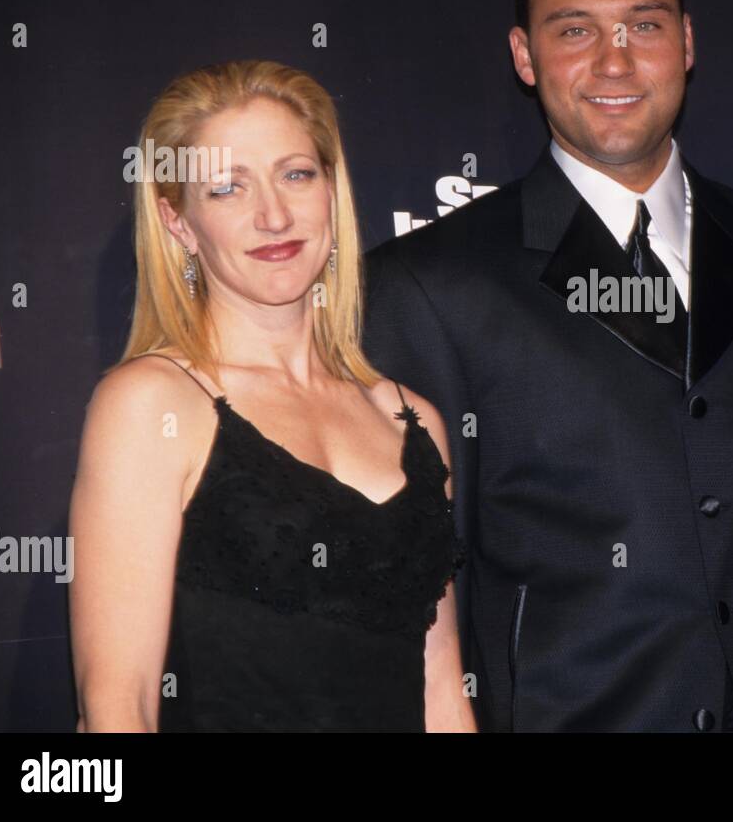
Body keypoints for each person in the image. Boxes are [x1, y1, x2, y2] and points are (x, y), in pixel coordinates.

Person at [362, 0, 733, 731]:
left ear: (688, 42)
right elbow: (425, 587)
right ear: (524, 56)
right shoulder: (430, 285)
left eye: (644, 24)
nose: (615, 59)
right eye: (574, 30)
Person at [68, 60, 474, 731]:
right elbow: (118, 706)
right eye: (228, 188)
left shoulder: (413, 419)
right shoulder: (153, 406)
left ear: (330, 190)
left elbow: (442, 692)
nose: (274, 214)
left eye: (296, 174)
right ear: (179, 223)